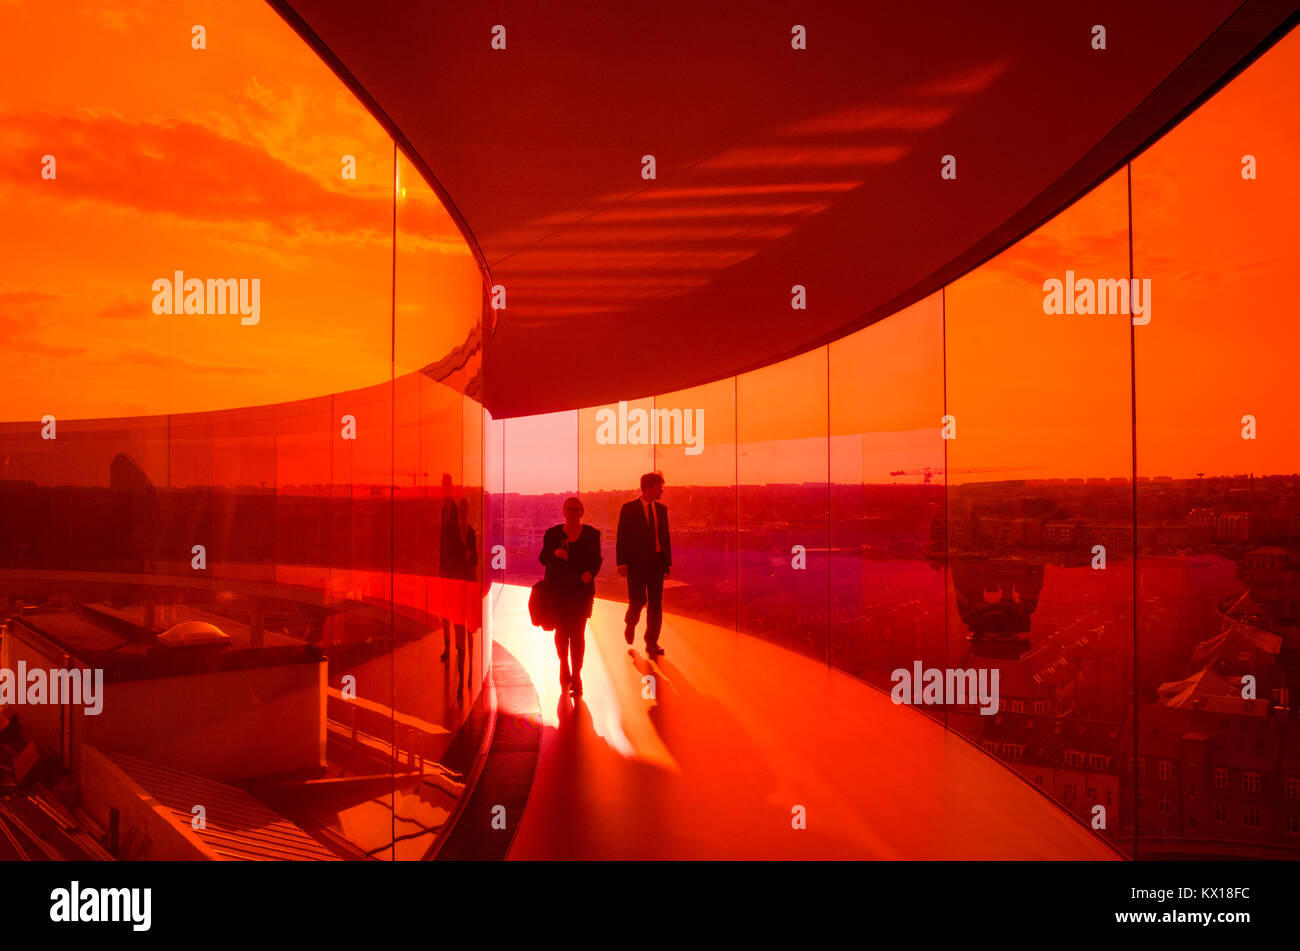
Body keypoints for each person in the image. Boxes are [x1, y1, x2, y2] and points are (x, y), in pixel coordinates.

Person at [538, 497, 602, 697]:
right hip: (558, 591)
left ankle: (576, 676)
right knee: (561, 634)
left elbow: (596, 560)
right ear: (564, 512)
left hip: (581, 592)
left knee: (578, 635)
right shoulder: (552, 534)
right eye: (569, 509)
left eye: (576, 509)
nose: (572, 512)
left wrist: (590, 573)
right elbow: (542, 559)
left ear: (581, 512)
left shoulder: (592, 534)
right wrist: (555, 553)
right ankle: (564, 666)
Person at [616, 471, 670, 656]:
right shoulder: (628, 508)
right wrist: (622, 561)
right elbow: (622, 536)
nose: (661, 490)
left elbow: (665, 538)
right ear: (648, 487)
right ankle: (631, 622)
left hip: (656, 563)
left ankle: (651, 642)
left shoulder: (662, 510)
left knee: (656, 603)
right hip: (636, 564)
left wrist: (666, 563)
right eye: (658, 486)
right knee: (638, 600)